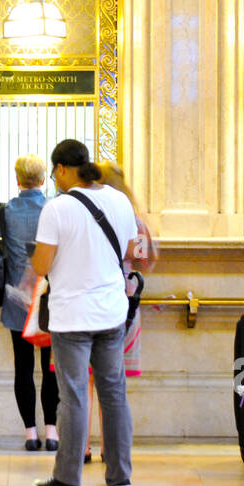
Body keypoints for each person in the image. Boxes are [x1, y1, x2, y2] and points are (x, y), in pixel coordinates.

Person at [29, 139, 139, 486]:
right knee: (114, 394)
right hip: (111, 313)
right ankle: (121, 476)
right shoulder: (120, 201)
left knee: (74, 396)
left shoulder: (57, 209)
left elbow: (42, 265)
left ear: (61, 169)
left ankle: (67, 478)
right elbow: (128, 250)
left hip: (72, 317)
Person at [0, 155, 58, 452]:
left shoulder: (7, 210)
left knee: (22, 368)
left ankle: (30, 435)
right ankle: (53, 433)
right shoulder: (53, 208)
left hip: (16, 301)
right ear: (44, 177)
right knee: (51, 368)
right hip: (49, 299)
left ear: (17, 179)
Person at [84, 162, 157, 463]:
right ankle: (110, 448)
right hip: (122, 303)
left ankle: (82, 446)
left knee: (84, 379)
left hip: (86, 301)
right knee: (113, 381)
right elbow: (143, 262)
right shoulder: (134, 219)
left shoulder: (82, 213)